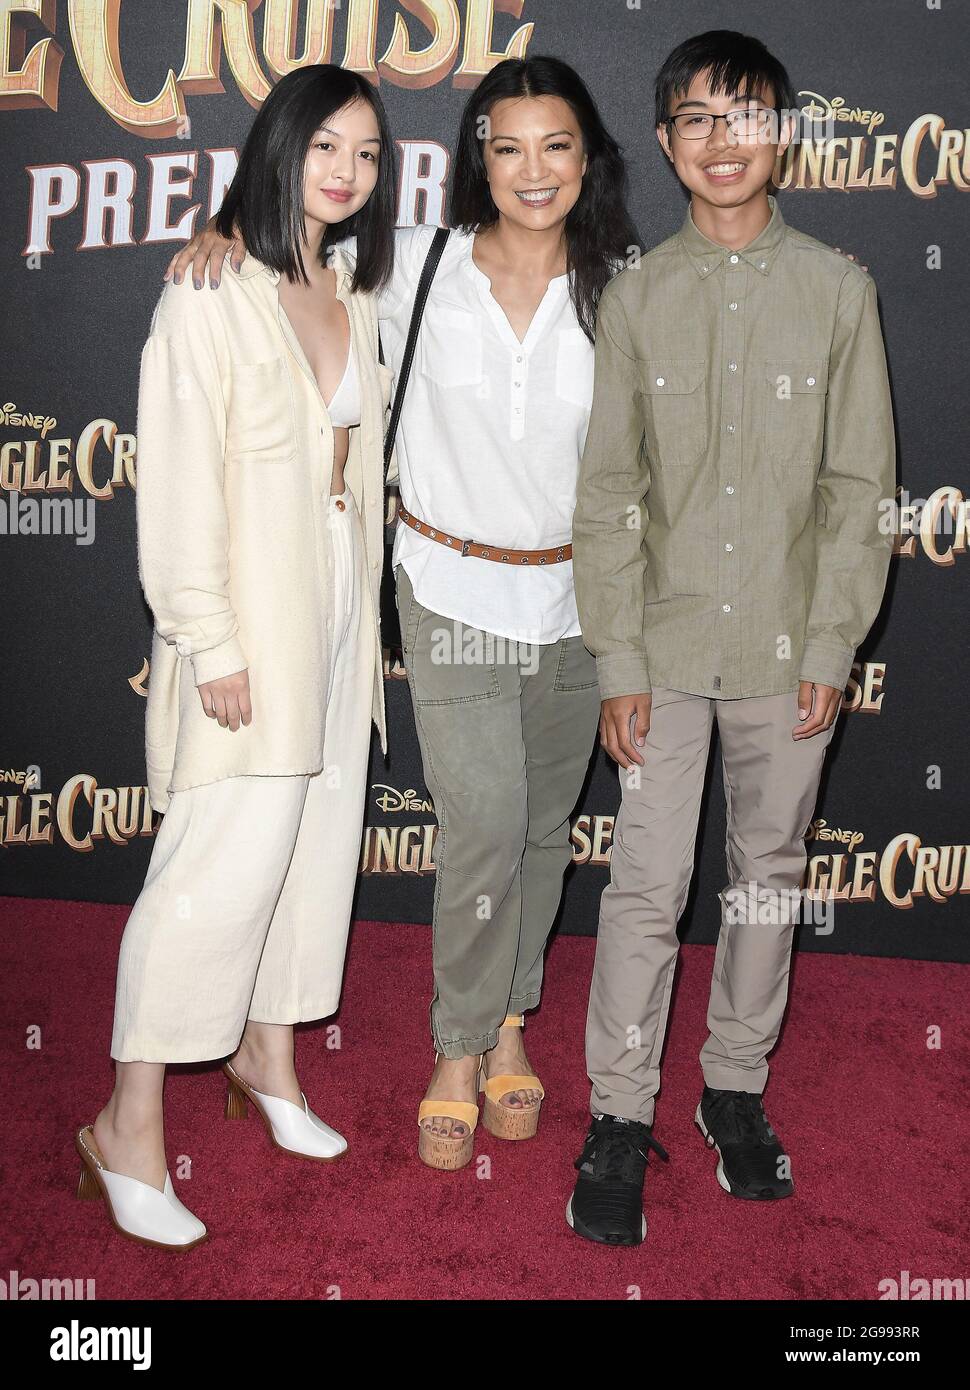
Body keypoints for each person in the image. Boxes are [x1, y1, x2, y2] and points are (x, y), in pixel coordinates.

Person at [172, 55, 639, 1171]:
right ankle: (456, 1046)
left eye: (556, 145)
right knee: (481, 815)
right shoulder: (416, 270)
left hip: (578, 598)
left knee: (538, 829)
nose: (533, 170)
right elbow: (299, 270)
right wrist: (228, 229)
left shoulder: (624, 287)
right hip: (448, 587)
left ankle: (512, 1018)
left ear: (589, 159)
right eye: (507, 145)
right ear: (476, 156)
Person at [567, 30, 896, 1245]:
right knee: (644, 888)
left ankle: (733, 1092)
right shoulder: (638, 296)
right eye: (695, 120)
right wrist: (615, 660)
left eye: (743, 115)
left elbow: (859, 490)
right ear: (664, 142)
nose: (720, 141)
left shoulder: (837, 290)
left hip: (783, 656)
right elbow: (607, 495)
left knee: (765, 887)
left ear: (781, 135)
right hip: (658, 655)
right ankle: (616, 1109)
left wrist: (829, 648)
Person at [76, 65, 397, 1249]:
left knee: (312, 855)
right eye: (323, 146)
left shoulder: (353, 287)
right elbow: (174, 487)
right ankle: (127, 1120)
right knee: (214, 872)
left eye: (365, 153)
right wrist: (205, 634)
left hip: (336, 620)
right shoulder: (208, 293)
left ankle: (268, 1061)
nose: (345, 172)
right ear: (275, 148)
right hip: (245, 625)